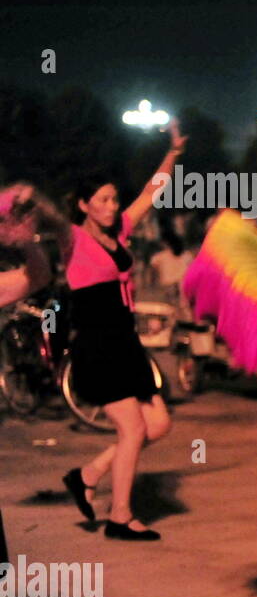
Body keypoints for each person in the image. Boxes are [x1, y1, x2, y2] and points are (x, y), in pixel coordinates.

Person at [62, 121, 185, 540]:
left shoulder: (120, 231)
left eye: (114, 198)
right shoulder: (74, 240)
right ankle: (120, 516)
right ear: (84, 205)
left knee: (158, 424)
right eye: (103, 200)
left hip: (125, 342)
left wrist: (173, 152)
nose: (112, 206)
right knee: (132, 428)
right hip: (97, 343)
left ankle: (88, 474)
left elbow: (152, 192)